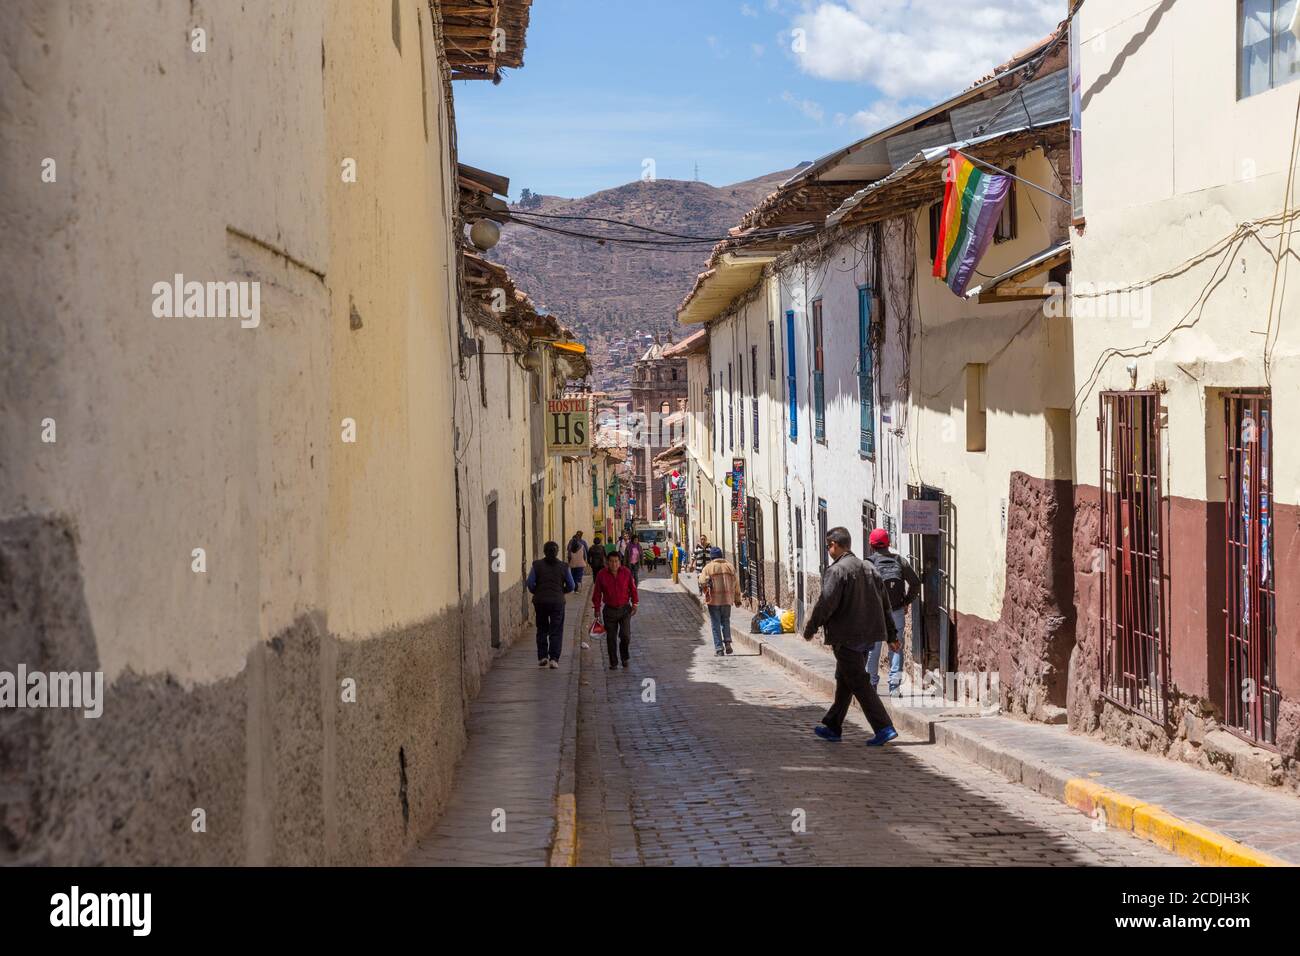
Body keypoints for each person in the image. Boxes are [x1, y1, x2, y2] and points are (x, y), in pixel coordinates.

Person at [803, 526, 899, 746]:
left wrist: (811, 627)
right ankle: (833, 725)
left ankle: (884, 727)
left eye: (829, 545)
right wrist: (891, 634)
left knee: (858, 681)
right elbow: (885, 604)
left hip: (846, 636)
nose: (828, 550)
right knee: (845, 679)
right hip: (868, 637)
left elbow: (826, 602)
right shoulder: (869, 568)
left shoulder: (837, 571)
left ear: (835, 545)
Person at [865, 528, 921, 697]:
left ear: (871, 545)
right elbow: (916, 583)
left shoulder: (868, 563)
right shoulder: (900, 561)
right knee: (896, 647)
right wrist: (906, 602)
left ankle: (871, 684)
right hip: (895, 611)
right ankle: (894, 687)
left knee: (873, 650)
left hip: (874, 614)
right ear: (888, 543)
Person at [527, 541, 575, 669]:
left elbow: (530, 583)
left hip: (540, 602)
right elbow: (571, 586)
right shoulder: (564, 566)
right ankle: (554, 659)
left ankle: (542, 656)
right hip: (557, 602)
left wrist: (537, 591)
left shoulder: (536, 565)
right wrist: (561, 591)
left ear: (544, 551)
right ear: (557, 552)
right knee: (556, 630)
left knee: (542, 628)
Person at [592, 550, 638, 670]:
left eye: (616, 561)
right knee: (611, 638)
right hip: (609, 611)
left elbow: (633, 588)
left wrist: (635, 603)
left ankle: (624, 657)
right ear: (607, 562)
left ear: (620, 562)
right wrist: (597, 609)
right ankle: (613, 662)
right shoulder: (601, 574)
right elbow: (597, 593)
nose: (614, 564)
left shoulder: (626, 572)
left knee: (625, 636)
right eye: (611, 561)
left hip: (624, 609)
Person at [699, 546, 742, 656]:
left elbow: (702, 581)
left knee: (715, 624)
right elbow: (736, 585)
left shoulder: (708, 568)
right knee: (726, 621)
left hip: (714, 600)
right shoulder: (730, 567)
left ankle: (719, 648)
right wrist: (737, 599)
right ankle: (727, 643)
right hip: (727, 599)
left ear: (712, 557)